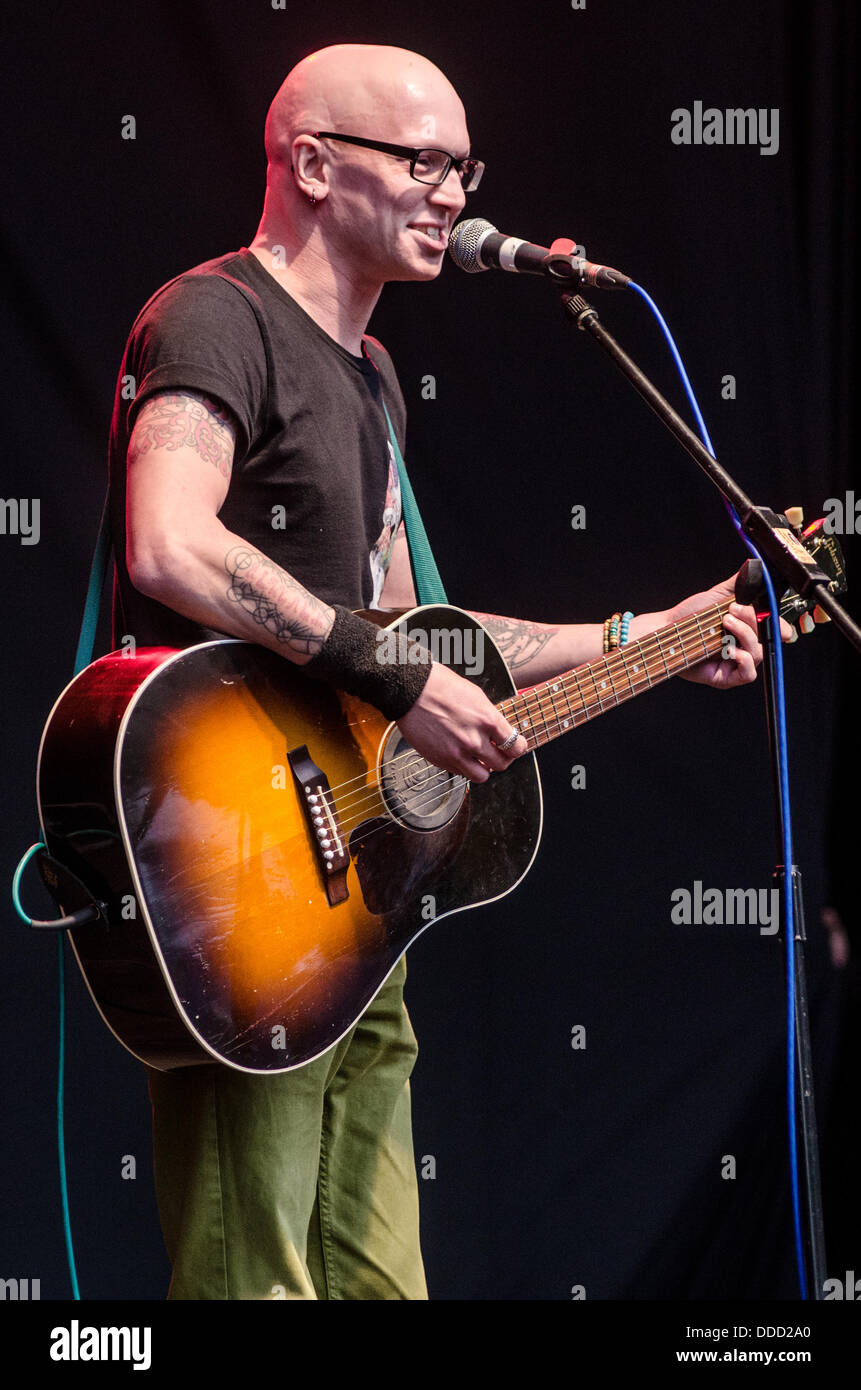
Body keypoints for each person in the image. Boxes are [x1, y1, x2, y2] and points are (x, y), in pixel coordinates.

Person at [108, 42, 781, 1300]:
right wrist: (388, 669)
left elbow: (422, 638)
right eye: (422, 160)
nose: (454, 192)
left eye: (464, 166)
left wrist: (651, 635)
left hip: (360, 904)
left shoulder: (367, 378)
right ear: (312, 163)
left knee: (382, 1285)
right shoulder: (217, 315)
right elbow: (168, 535)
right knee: (256, 1282)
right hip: (237, 872)